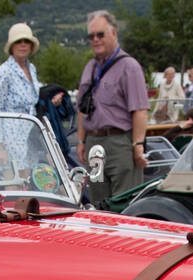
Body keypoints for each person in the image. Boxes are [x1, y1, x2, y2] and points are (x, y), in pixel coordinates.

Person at [75, 10, 149, 205]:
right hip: (94, 144)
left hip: (120, 144)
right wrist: (81, 141)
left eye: (100, 34)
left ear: (114, 34)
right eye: (91, 36)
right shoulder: (89, 68)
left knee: (125, 202)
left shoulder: (129, 67)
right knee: (99, 202)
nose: (95, 40)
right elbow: (82, 108)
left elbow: (140, 110)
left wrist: (137, 145)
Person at [0, 22, 60, 166]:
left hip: (31, 131)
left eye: (26, 41)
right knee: (14, 178)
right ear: (12, 46)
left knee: (31, 177)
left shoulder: (32, 69)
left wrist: (52, 101)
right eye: (18, 41)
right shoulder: (4, 72)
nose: (23, 45)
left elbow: (34, 99)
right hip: (11, 133)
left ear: (31, 46)